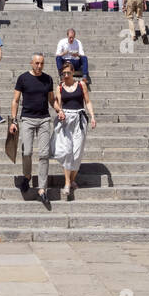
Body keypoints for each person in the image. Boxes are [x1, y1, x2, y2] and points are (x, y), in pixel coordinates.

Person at [9, 53, 64, 208]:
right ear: (31, 63)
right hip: (27, 119)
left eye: (42, 63)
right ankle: (27, 176)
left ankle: (42, 189)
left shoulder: (48, 79)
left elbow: (51, 99)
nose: (39, 66)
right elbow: (15, 100)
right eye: (37, 63)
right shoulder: (23, 78)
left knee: (44, 154)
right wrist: (13, 121)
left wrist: (59, 110)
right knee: (26, 152)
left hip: (44, 120)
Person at [54, 61, 96, 198]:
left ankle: (71, 180)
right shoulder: (59, 87)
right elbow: (57, 103)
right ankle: (67, 183)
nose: (66, 75)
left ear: (73, 72)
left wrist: (93, 116)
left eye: (68, 72)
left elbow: (87, 101)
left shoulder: (81, 84)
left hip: (79, 119)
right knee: (67, 151)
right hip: (66, 119)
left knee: (77, 154)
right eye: (63, 73)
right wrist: (59, 110)